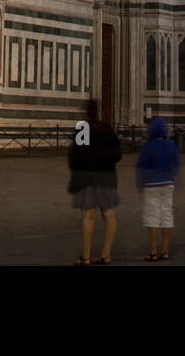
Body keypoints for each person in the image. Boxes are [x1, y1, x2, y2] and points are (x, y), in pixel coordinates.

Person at [68, 99, 122, 266]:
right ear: (99, 112)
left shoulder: (83, 129)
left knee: (87, 215)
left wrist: (78, 171)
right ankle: (105, 255)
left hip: (88, 176)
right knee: (109, 213)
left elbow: (76, 155)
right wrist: (105, 160)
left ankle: (85, 257)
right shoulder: (107, 129)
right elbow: (117, 154)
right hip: (106, 176)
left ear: (86, 112)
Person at [136, 117, 180, 260]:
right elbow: (176, 165)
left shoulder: (148, 146)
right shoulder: (171, 146)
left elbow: (141, 167)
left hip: (151, 185)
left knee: (153, 217)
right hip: (168, 184)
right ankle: (165, 251)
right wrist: (171, 176)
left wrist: (140, 184)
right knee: (167, 216)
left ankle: (153, 252)